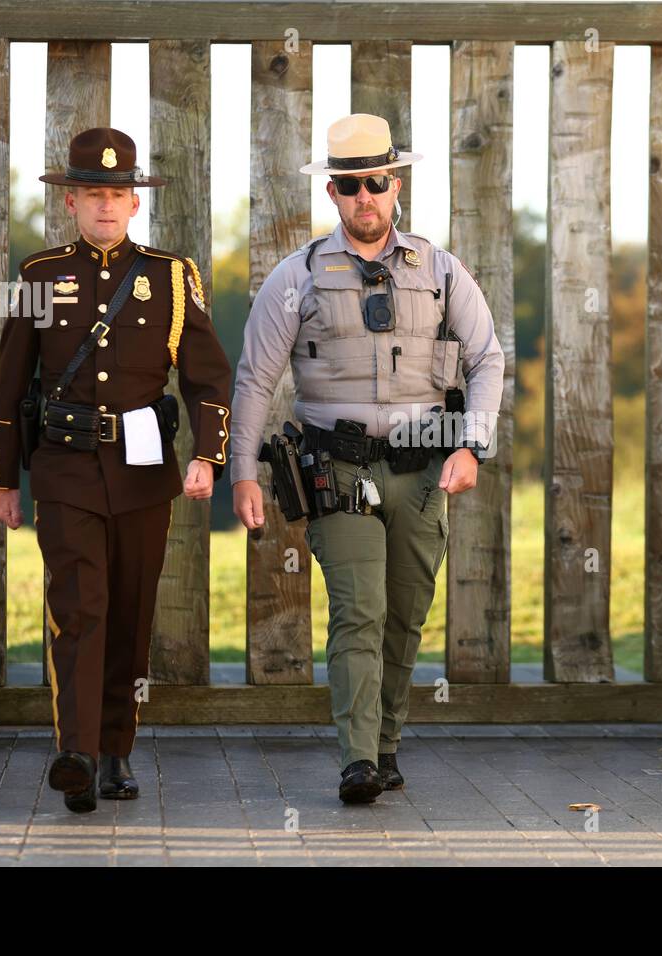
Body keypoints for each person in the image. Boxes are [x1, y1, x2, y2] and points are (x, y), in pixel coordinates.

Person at [231, 113, 504, 802]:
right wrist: (241, 472)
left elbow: (487, 359)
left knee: (405, 614)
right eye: (351, 186)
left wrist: (472, 443)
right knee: (359, 610)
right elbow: (256, 377)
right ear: (332, 192)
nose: (365, 199)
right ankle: (356, 759)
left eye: (376, 183)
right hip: (337, 471)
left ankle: (385, 745)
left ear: (395, 183)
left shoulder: (441, 271)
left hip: (419, 472)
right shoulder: (296, 277)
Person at [0, 127, 233, 813]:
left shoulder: (170, 278)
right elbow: (10, 385)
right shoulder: (39, 276)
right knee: (79, 608)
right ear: (70, 202)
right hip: (64, 469)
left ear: (134, 204)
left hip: (143, 473)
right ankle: (77, 753)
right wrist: (6, 480)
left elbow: (208, 378)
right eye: (92, 194)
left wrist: (208, 456)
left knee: (129, 611)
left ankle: (118, 750)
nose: (104, 207)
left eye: (116, 194)